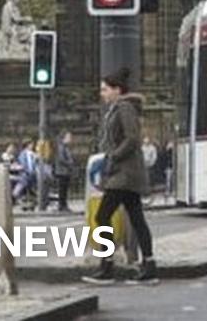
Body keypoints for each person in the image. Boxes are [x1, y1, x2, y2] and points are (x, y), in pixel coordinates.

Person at [82, 68, 158, 285]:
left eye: (105, 89)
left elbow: (132, 138)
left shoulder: (124, 108)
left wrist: (113, 157)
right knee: (137, 219)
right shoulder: (118, 108)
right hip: (125, 173)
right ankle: (149, 265)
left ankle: (107, 267)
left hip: (123, 174)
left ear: (117, 90)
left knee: (102, 216)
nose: (102, 94)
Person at [54, 131, 75, 212]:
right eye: (69, 137)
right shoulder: (61, 147)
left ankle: (63, 205)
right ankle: (62, 205)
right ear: (64, 138)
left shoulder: (65, 147)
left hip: (65, 171)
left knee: (64, 190)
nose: (71, 139)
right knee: (62, 190)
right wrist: (70, 163)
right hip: (62, 172)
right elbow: (61, 159)